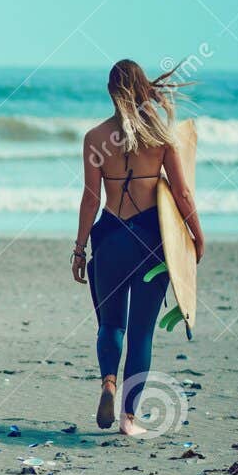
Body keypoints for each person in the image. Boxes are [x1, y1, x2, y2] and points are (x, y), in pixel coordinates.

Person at [71, 58, 204, 436]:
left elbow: (89, 200)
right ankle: (129, 420)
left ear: (112, 93)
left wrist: (79, 249)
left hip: (110, 238)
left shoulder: (95, 138)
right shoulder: (162, 137)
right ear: (144, 87)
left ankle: (108, 383)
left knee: (110, 324)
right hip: (151, 243)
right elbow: (181, 192)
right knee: (142, 334)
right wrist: (197, 234)